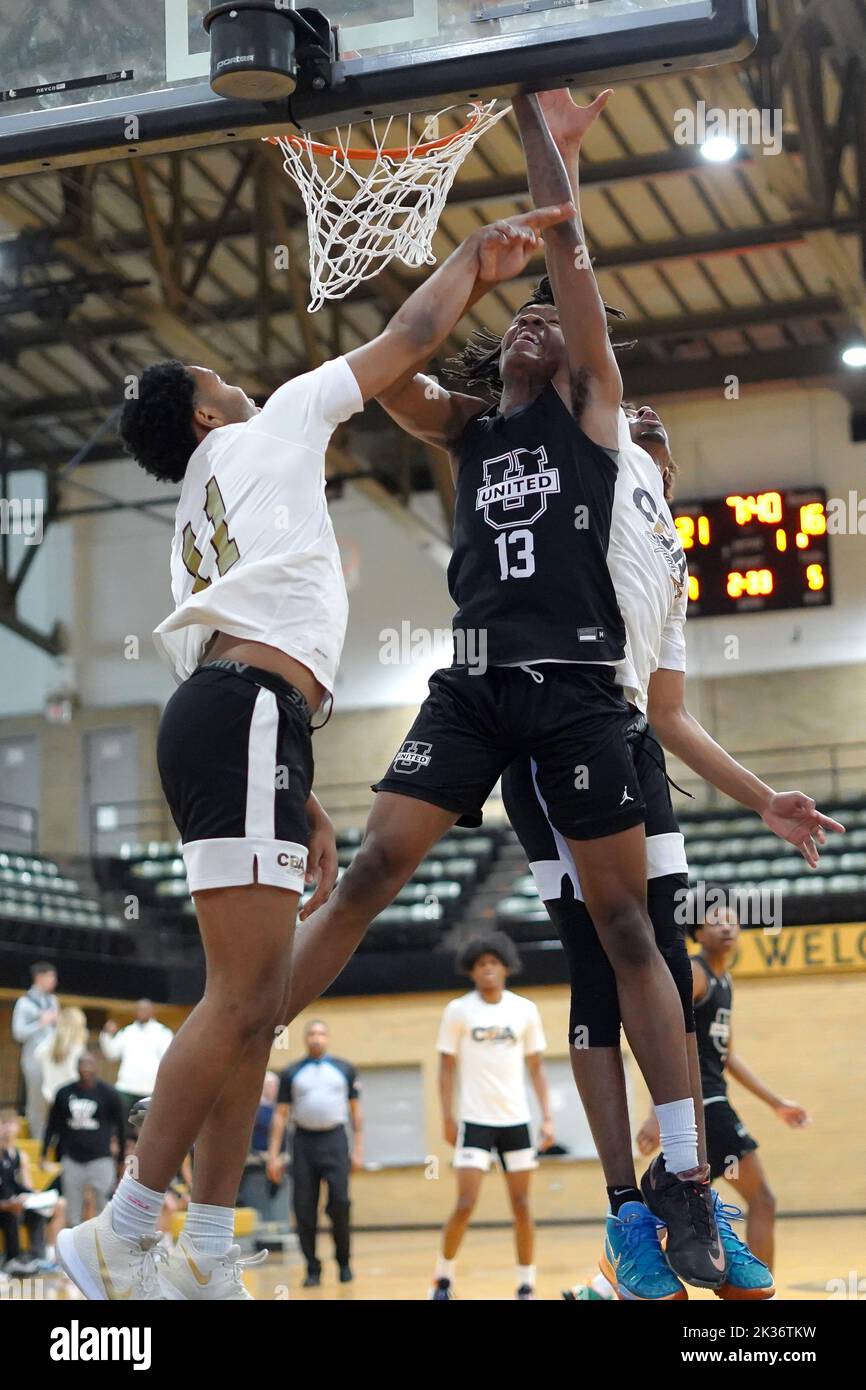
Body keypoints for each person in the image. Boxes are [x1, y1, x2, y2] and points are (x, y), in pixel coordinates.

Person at [55, 203, 565, 1302]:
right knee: (243, 1002)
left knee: (252, 1007)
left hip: (240, 719)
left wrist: (305, 800)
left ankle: (210, 1253)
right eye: (218, 376)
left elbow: (239, 655)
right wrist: (474, 260)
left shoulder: (199, 503)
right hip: (240, 717)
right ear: (204, 410)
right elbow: (408, 340)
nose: (238, 380)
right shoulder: (272, 422)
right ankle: (119, 1229)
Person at [275, 88, 728, 1288]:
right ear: (496, 347)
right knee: (373, 867)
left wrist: (544, 144)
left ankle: (680, 1178)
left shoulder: (593, 415)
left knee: (627, 927)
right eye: (518, 319)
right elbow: (389, 372)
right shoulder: (466, 426)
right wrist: (464, 274)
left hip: (578, 687)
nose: (539, 323)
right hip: (474, 687)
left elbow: (570, 258)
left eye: (549, 320)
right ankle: (255, 1020)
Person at [494, 88, 842, 1302]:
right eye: (618, 399)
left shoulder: (668, 544)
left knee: (665, 974)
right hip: (549, 719)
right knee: (607, 961)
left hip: (631, 736)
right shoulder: (582, 458)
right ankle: (631, 1216)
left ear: (668, 456)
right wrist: (561, 168)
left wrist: (763, 801)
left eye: (648, 415)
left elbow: (677, 710)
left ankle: (679, 1195)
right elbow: (575, 281)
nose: (631, 406)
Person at [636, 904, 809, 1272]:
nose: (727, 927)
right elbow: (662, 1040)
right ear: (697, 934)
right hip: (705, 1106)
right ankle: (759, 1289)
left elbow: (727, 1055)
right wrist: (655, 1112)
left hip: (710, 1103)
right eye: (716, 922)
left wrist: (776, 1103)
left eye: (732, 921)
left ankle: (602, 1286)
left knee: (677, 1216)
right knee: (762, 1199)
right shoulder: (695, 974)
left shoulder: (724, 982)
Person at [432, 935, 552, 1301]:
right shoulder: (458, 1010)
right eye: (480, 963)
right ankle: (442, 1279)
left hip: (517, 1122)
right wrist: (447, 1117)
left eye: (493, 962)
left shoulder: (525, 1010)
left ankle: (526, 1284)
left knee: (522, 1205)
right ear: (471, 970)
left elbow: (536, 1069)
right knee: (466, 1204)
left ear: (505, 966)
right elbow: (445, 1068)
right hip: (475, 1122)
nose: (487, 968)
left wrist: (547, 1117)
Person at [266, 1020, 362, 1287]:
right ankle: (312, 1268)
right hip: (304, 1143)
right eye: (311, 1034)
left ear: (327, 1038)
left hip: (335, 1140)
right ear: (305, 1039)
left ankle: (343, 1262)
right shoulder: (292, 1072)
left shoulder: (344, 1069)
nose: (316, 1038)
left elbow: (356, 1112)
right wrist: (274, 1155)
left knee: (340, 1203)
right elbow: (280, 1115)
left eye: (321, 1033)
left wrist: (359, 1150)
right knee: (304, 1208)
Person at [43, 1054, 125, 1230]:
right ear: (76, 1067)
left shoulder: (108, 1093)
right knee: (72, 1211)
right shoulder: (64, 1093)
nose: (86, 1068)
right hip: (72, 1158)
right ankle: (73, 1251)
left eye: (90, 1064)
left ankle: (103, 1248)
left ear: (96, 1067)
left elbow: (121, 1127)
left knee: (105, 1208)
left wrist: (120, 1159)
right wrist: (44, 1153)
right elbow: (52, 1125)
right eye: (82, 1064)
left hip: (101, 1158)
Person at [0, 1110, 66, 1276]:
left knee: (39, 1209)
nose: (7, 1129)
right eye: (4, 1124)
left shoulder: (15, 1154)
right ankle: (11, 1259)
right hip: (5, 1206)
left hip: (11, 1202)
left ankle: (41, 1256)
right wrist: (8, 1204)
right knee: (11, 1212)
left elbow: (17, 1184)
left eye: (10, 1124)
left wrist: (32, 1195)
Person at [99, 1000, 174, 1138]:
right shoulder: (128, 1031)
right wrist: (106, 1035)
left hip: (148, 1090)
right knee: (122, 1128)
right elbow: (112, 1054)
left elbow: (169, 1060)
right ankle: (124, 1157)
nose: (141, 1013)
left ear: (152, 1012)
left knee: (144, 1132)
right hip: (126, 1088)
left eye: (145, 1010)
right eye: (139, 1010)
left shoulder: (162, 1033)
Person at [11, 961, 58, 1142]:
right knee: (36, 1099)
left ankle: (50, 1137)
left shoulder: (53, 1001)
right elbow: (18, 1033)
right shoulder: (24, 1003)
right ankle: (37, 1139)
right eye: (51, 977)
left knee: (52, 1098)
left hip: (52, 1058)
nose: (54, 981)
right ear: (40, 977)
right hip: (33, 1058)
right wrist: (40, 1023)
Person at [238, 1071, 287, 1221]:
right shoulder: (253, 1108)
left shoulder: (281, 1109)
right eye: (270, 1086)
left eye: (275, 1086)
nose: (274, 1089)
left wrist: (279, 1157)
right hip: (255, 1161)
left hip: (279, 1160)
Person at [34, 1007, 89, 1107]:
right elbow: (75, 1076)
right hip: (71, 1098)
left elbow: (37, 1055)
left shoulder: (49, 1043)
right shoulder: (77, 1048)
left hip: (49, 1095)